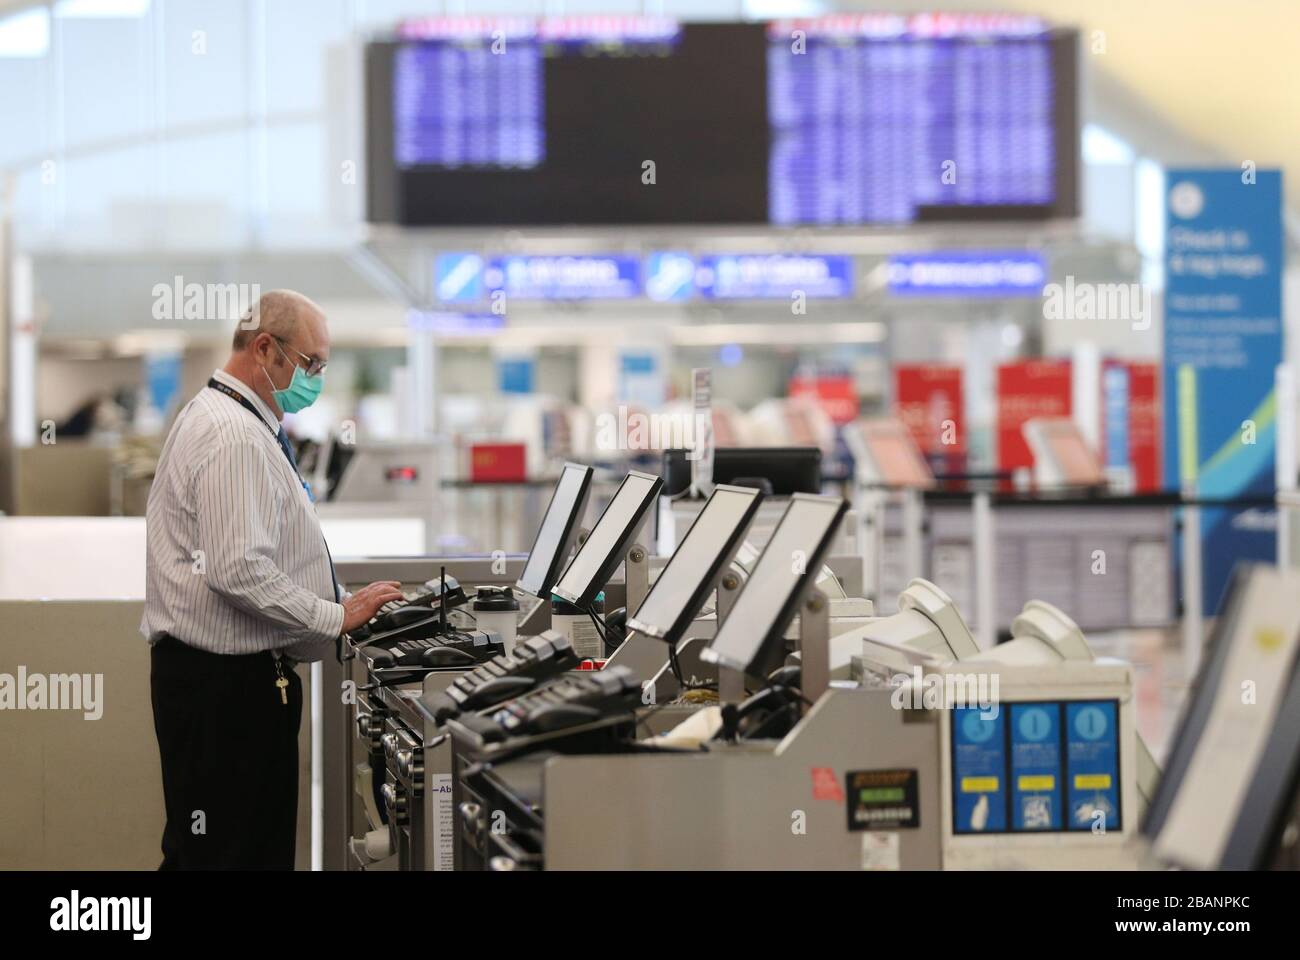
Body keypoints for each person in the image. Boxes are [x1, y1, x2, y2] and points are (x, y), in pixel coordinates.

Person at [140, 289, 404, 870]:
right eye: (311, 363)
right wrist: (336, 615)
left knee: (220, 853)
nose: (316, 378)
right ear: (265, 349)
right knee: (227, 856)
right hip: (226, 692)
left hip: (224, 686)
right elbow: (239, 568)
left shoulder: (232, 419)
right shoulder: (233, 435)